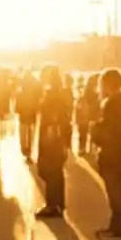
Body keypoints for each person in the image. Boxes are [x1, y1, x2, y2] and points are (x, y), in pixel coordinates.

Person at [91, 68, 121, 240]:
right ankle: (120, 226)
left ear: (107, 84)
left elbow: (109, 131)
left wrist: (96, 129)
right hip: (118, 153)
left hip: (112, 154)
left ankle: (120, 228)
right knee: (117, 190)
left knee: (115, 192)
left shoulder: (112, 103)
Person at [35, 65, 73, 218]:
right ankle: (58, 203)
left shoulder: (53, 95)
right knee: (56, 171)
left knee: (50, 170)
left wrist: (51, 136)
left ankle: (52, 205)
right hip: (58, 138)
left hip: (52, 138)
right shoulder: (60, 93)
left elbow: (55, 117)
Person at [16, 68, 42, 161]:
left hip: (23, 113)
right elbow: (39, 99)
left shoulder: (21, 87)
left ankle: (24, 149)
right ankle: (29, 151)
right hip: (32, 113)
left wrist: (17, 110)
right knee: (31, 133)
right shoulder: (36, 85)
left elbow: (18, 100)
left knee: (23, 132)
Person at [76, 72, 101, 156]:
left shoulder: (84, 93)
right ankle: (91, 149)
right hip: (91, 116)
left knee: (83, 133)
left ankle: (82, 148)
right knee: (92, 133)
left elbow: (78, 106)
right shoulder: (96, 94)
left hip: (84, 117)